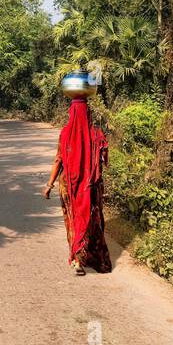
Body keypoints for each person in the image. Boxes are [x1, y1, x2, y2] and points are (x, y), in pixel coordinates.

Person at [43, 94, 112, 275]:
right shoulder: (97, 133)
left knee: (73, 220)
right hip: (90, 186)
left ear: (71, 113)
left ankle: (76, 259)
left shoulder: (65, 134)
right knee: (91, 221)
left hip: (70, 185)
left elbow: (59, 160)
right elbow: (104, 159)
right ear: (88, 112)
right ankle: (91, 257)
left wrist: (49, 185)